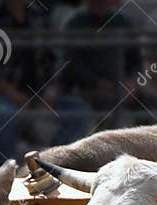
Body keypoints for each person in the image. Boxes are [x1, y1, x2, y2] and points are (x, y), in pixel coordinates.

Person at [0, 0, 52, 164]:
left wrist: (50, 91)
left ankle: (55, 165)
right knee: (5, 115)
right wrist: (13, 94)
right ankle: (6, 173)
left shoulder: (38, 14)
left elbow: (53, 58)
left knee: (80, 112)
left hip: (40, 96)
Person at [60, 0, 143, 134]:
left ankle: (151, 148)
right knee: (105, 102)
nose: (101, 3)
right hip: (86, 89)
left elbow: (136, 61)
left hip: (122, 85)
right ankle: (106, 148)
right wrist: (96, 82)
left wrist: (132, 83)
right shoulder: (76, 23)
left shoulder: (123, 22)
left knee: (150, 101)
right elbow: (72, 65)